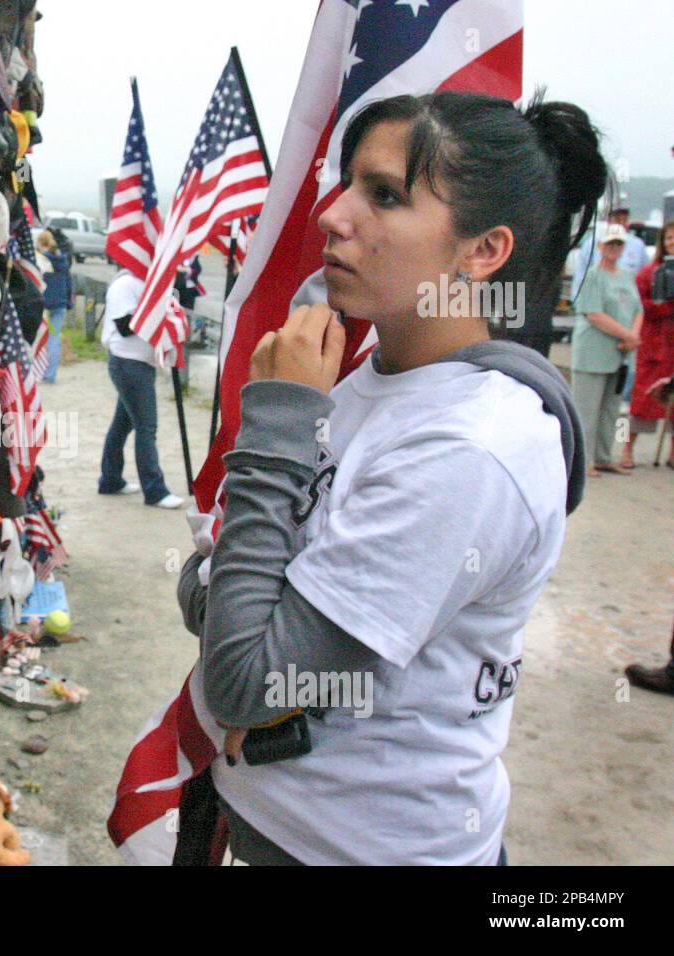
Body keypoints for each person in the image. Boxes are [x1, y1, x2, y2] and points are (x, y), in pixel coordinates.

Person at [176, 90, 605, 865]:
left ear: (483, 252)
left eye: (384, 195)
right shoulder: (367, 379)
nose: (334, 216)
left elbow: (243, 683)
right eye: (347, 186)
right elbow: (208, 591)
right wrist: (237, 609)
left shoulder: (473, 447)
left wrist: (277, 421)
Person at [97, 269, 184, 508]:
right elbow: (124, 326)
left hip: (141, 363)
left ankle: (110, 479)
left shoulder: (151, 283)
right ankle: (155, 490)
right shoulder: (124, 284)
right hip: (128, 363)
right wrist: (156, 313)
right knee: (146, 426)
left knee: (122, 424)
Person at [571, 222, 643, 476]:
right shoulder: (592, 275)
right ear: (601, 246)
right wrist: (627, 335)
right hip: (595, 350)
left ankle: (603, 456)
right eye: (610, 243)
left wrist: (633, 336)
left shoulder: (626, 276)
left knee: (611, 409)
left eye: (618, 244)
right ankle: (582, 461)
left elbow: (637, 310)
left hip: (622, 352)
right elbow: (594, 313)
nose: (613, 248)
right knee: (586, 409)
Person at [621, 221, 674, 468]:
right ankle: (624, 449)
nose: (672, 243)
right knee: (638, 402)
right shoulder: (648, 273)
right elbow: (638, 306)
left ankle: (672, 454)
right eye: (669, 238)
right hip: (654, 345)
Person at [571, 202, 649, 301]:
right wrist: (578, 302)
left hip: (628, 305)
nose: (621, 223)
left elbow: (646, 277)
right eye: (617, 220)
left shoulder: (638, 245)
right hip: (598, 303)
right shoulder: (592, 244)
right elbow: (580, 276)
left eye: (624, 220)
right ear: (608, 221)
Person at [35, 229, 70, 384]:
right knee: (54, 337)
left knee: (44, 339)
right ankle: (51, 373)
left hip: (46, 307)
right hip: (60, 306)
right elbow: (69, 282)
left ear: (42, 245)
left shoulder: (42, 261)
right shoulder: (63, 260)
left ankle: (43, 372)